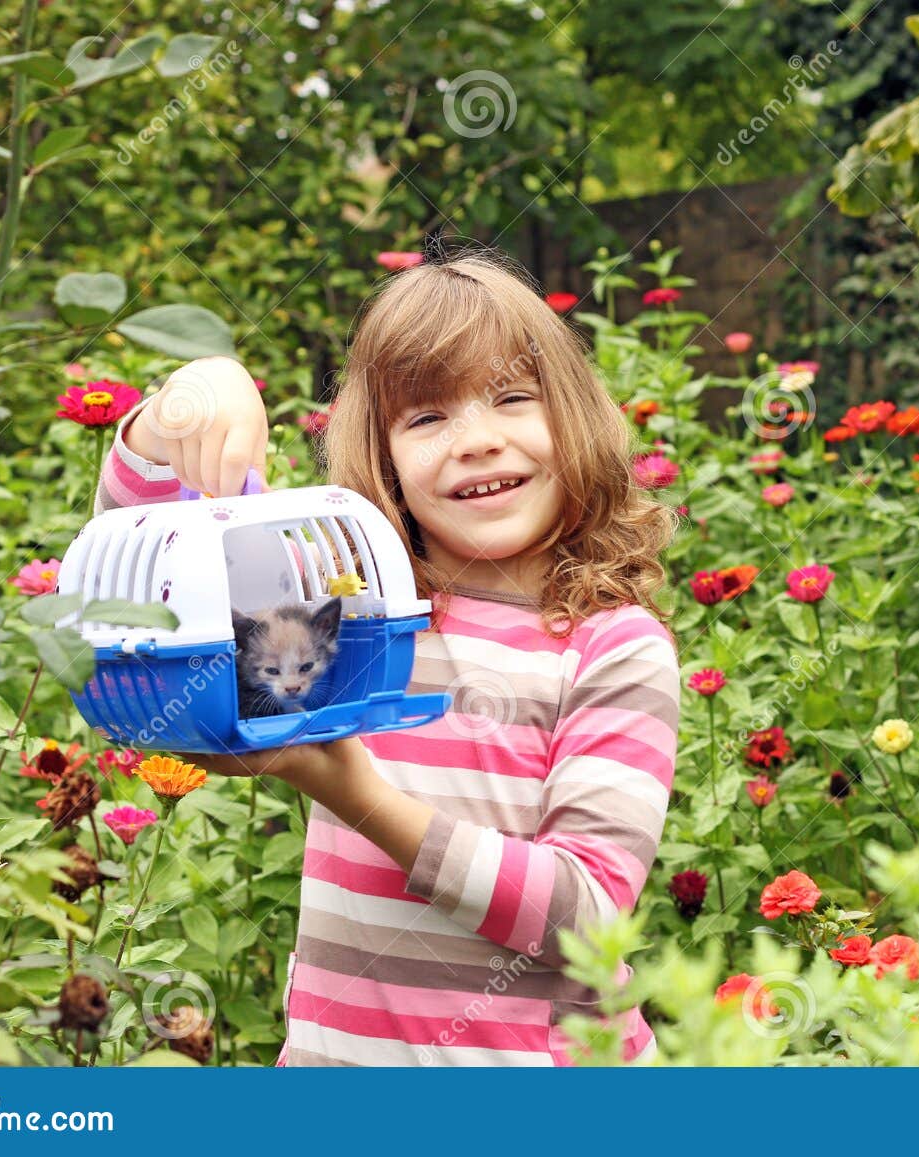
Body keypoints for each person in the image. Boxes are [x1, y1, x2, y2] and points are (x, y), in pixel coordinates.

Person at [93, 248, 680, 1065]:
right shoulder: (358, 607)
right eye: (427, 417)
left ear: (573, 418)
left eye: (512, 397)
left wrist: (358, 796)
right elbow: (144, 562)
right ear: (387, 461)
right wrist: (179, 413)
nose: (476, 440)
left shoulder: (609, 647)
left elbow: (586, 914)